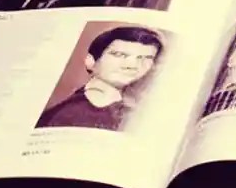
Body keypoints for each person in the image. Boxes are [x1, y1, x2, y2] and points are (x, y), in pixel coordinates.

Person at [36, 26, 164, 131]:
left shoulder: (132, 110)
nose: (132, 65)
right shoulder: (68, 115)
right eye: (119, 55)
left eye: (145, 58)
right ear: (91, 62)